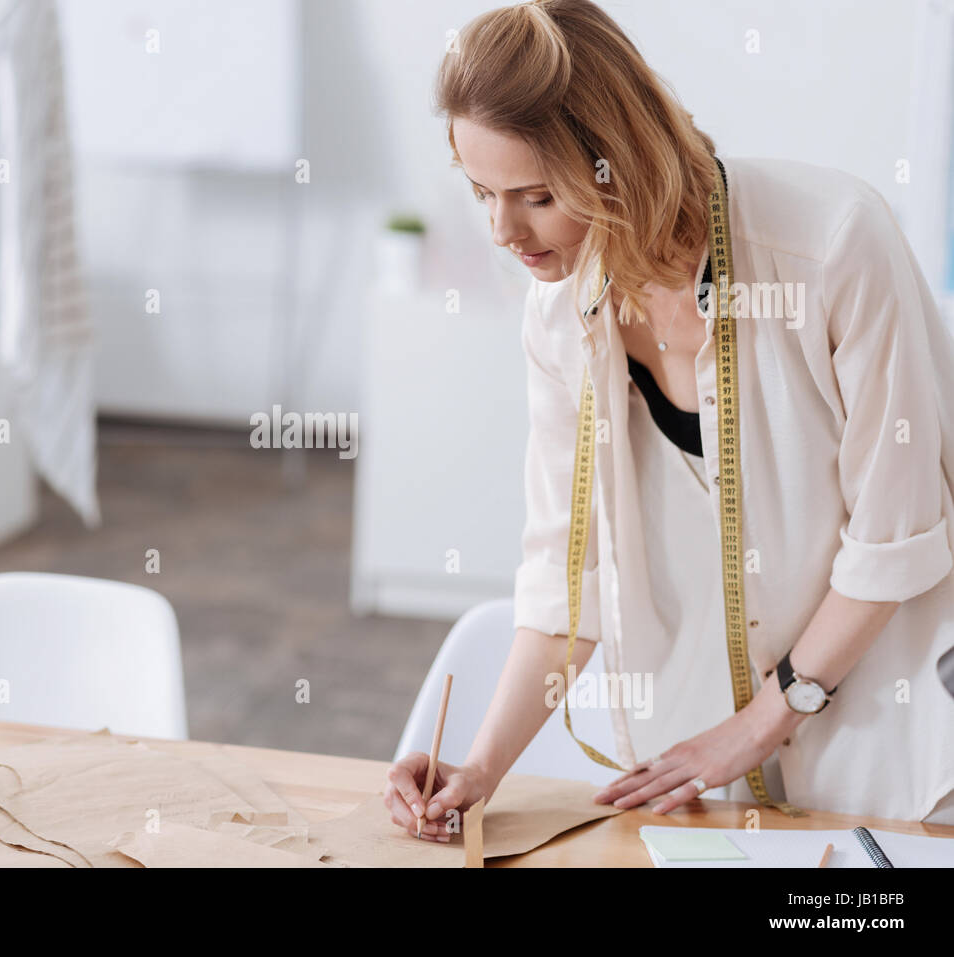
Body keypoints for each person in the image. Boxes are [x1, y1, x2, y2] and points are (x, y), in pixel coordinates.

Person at [385, 0, 954, 840]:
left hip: (896, 760)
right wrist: (478, 770)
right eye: (483, 193)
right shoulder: (559, 321)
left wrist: (759, 722)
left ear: (620, 161)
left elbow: (897, 532)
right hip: (719, 794)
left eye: (537, 196)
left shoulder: (832, 245)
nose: (504, 230)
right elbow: (564, 582)